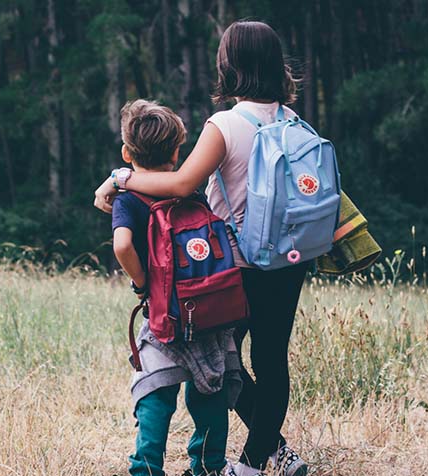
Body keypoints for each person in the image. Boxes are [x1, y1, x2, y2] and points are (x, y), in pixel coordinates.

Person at [97, 21, 311, 476]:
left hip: (230, 266)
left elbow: (179, 183)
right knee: (271, 362)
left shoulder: (226, 125)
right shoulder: (295, 122)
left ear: (229, 66)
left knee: (219, 366)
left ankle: (241, 458)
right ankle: (264, 457)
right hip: (290, 261)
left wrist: (120, 178)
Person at [111, 99, 243, 476]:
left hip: (164, 315)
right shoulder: (187, 192)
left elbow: (122, 245)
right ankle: (207, 465)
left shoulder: (129, 200)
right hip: (206, 309)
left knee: (156, 390)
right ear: (176, 152)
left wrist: (143, 282)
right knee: (210, 388)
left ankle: (147, 466)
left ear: (126, 153)